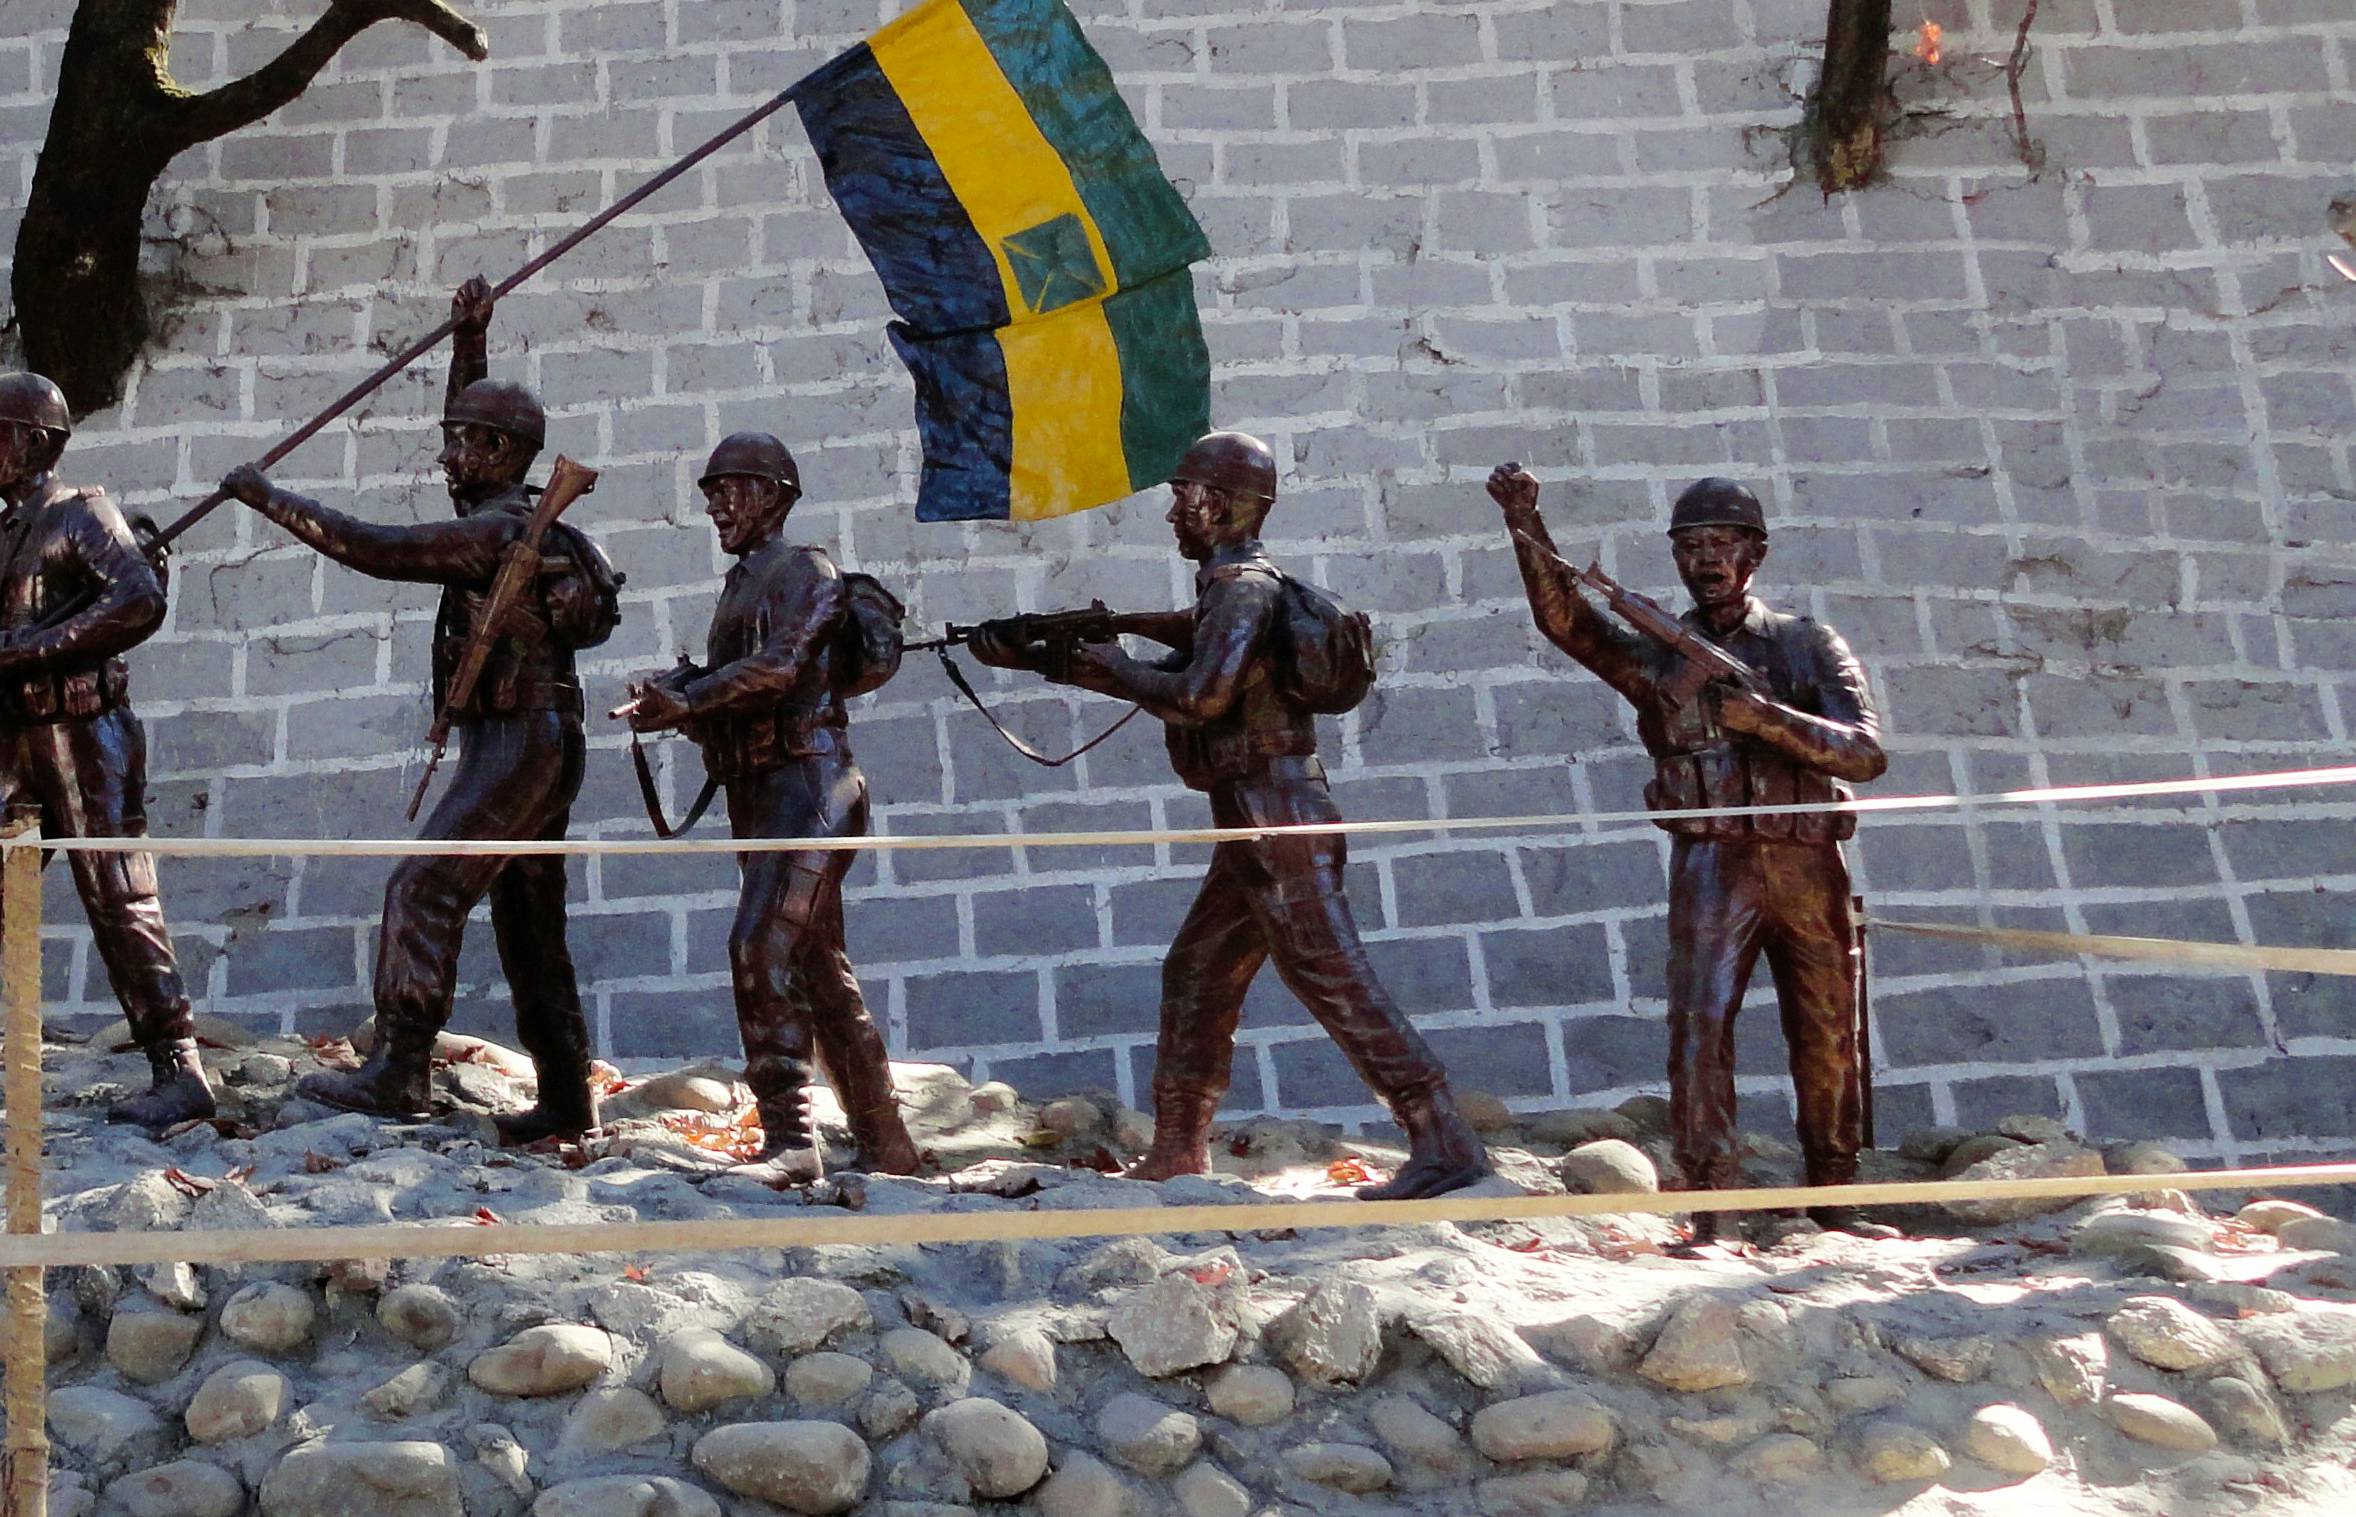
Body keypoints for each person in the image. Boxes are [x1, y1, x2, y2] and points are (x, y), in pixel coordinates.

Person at [970, 430, 1489, 1201]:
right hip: (1250, 816)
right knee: (1198, 972)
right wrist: (1072, 645)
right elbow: (1191, 645)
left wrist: (1099, 664)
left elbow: (1203, 694)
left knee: (1333, 976)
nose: (1174, 510)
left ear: (1218, 503)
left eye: (1183, 494)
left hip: (1275, 812)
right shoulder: (1231, 589)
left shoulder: (1244, 587)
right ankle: (1179, 1147)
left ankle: (1444, 1140)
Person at [223, 277, 620, 1141]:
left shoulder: (497, 532)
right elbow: (469, 439)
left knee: (423, 889)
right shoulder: (506, 518)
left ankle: (401, 1069)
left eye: (462, 444)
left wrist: (271, 499)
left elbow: (374, 548)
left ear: (501, 451)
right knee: (528, 925)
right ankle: (564, 1097)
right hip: (538, 737)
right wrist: (468, 341)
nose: (446, 455)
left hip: (517, 740)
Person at [1487, 464, 1886, 1208]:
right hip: (1712, 863)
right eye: (1690, 545)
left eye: (1723, 543)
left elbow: (1865, 751)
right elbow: (1566, 620)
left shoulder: (1807, 644)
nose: (1705, 559)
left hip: (1807, 862)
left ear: (1754, 554)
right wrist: (1524, 523)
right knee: (1700, 1028)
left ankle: (1836, 1193)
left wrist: (1766, 719)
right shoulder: (1662, 657)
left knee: (1828, 1031)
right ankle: (1711, 1201)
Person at [0, 372, 213, 1132]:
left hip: (84, 730)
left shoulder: (80, 512)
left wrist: (27, 649)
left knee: (117, 894)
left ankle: (178, 1067)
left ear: (35, 442)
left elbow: (138, 599)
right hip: (20, 739)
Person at [620, 431, 924, 1191]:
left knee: (759, 947)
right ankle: (889, 1142)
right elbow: (739, 684)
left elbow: (784, 666)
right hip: (758, 793)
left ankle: (791, 1140)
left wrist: (690, 695)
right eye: (711, 491)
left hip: (812, 786)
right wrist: (679, 695)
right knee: (819, 970)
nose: (718, 505)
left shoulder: (805, 569)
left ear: (776, 495)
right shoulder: (739, 587)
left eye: (733, 488)